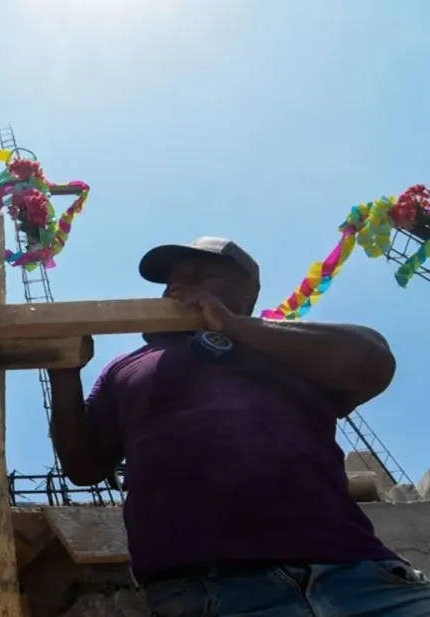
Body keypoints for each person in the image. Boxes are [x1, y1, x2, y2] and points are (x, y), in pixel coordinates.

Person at [49, 237, 430, 617]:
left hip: (360, 577)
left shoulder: (289, 345)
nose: (178, 286)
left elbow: (372, 360)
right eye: (172, 280)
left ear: (248, 291)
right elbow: (83, 467)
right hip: (210, 592)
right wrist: (64, 368)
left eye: (201, 275)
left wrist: (235, 327)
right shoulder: (126, 367)